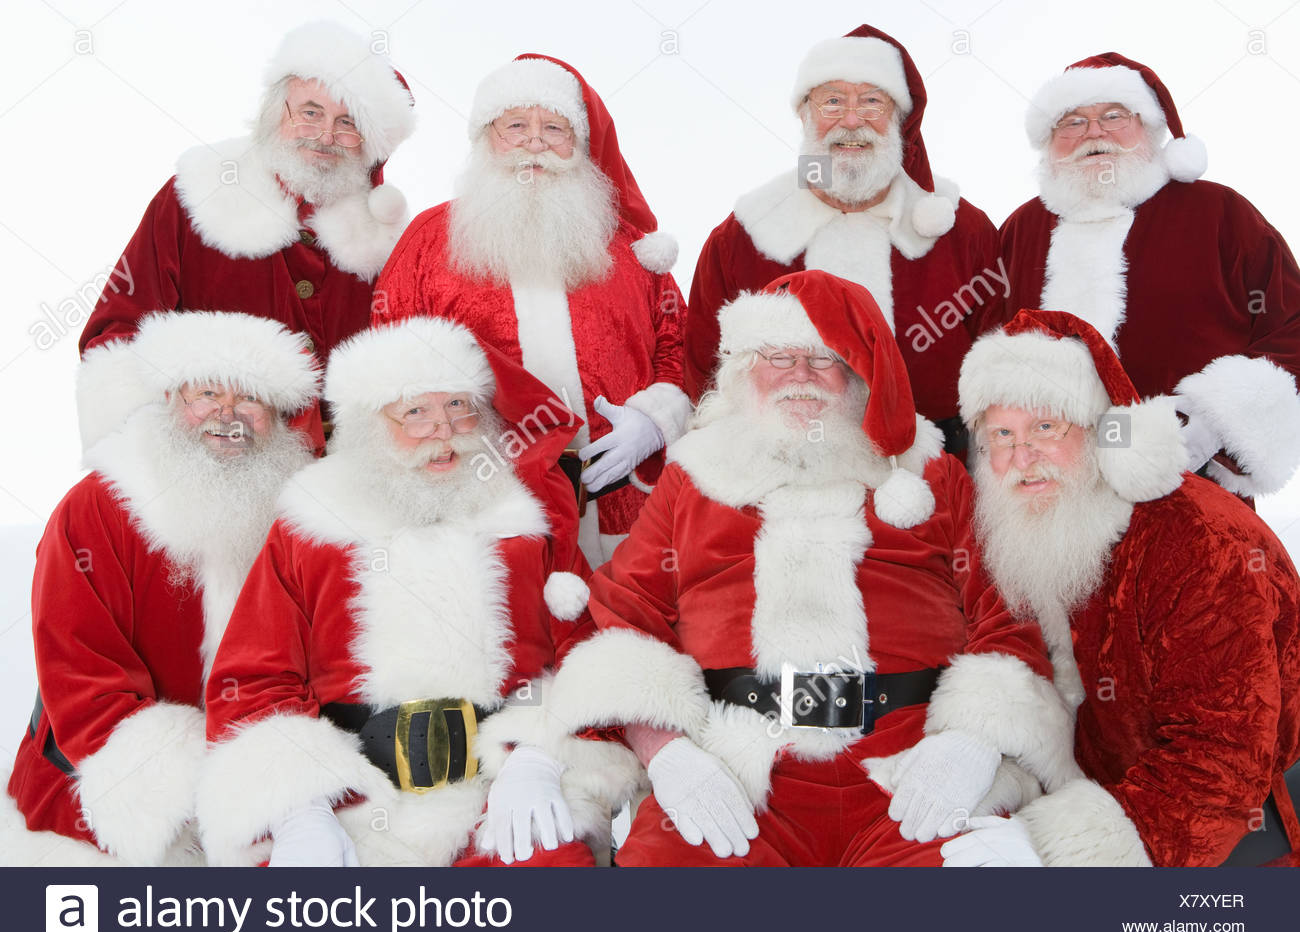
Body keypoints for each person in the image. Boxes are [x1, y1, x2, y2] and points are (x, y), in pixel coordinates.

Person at [540, 270, 1075, 866]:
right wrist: (667, 754)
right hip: (738, 769)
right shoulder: (693, 477)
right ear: (746, 369)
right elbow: (622, 619)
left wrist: (972, 743)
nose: (800, 375)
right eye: (780, 356)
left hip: (910, 762)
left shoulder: (933, 476)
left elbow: (1010, 618)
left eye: (824, 359)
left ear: (858, 373)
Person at [197, 317, 640, 866]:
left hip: (499, 790)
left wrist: (538, 758)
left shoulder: (523, 519)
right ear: (368, 428)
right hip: (353, 803)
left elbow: (588, 651)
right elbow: (256, 679)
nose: (444, 429)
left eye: (458, 406)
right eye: (415, 412)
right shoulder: (311, 523)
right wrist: (299, 809)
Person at [944, 308, 1300, 866]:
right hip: (1095, 783)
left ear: (1106, 432)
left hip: (1223, 830)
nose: (1021, 458)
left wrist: (1056, 847)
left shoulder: (1198, 541)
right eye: (1002, 436)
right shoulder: (1022, 525)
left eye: (1046, 427)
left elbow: (1224, 758)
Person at [2, 312, 318, 865]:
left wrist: (285, 788)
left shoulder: (304, 516)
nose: (227, 414)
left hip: (265, 789)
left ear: (276, 415)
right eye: (208, 392)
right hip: (102, 788)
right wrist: (206, 794)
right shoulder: (98, 508)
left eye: (250, 399)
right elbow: (82, 682)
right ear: (172, 397)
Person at [372, 54, 689, 568]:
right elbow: (388, 370)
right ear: (485, 138)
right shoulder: (430, 242)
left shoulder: (633, 250)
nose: (535, 141)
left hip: (627, 512)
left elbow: (682, 347)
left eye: (555, 127)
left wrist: (656, 422)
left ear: (580, 143)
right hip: (480, 502)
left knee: (627, 637)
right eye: (515, 125)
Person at [77, 21, 415, 450]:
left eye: (347, 122)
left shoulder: (389, 235)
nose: (327, 135)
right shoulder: (199, 195)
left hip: (343, 471)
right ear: (277, 112)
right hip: (215, 456)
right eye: (310, 112)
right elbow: (116, 332)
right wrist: (163, 445)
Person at [685, 24, 1002, 457]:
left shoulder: (963, 231)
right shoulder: (743, 236)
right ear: (804, 114)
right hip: (777, 474)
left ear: (899, 118)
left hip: (937, 471)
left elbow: (1002, 365)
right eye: (832, 101)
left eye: (872, 101)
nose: (851, 121)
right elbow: (704, 370)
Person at [997, 52, 1300, 499]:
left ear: (1150, 128)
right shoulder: (1021, 230)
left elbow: (1291, 326)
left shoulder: (1219, 212)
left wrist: (1215, 420)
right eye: (1072, 121)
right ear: (1049, 140)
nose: (1094, 132)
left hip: (1195, 491)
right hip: (1051, 500)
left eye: (1113, 115)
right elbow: (981, 343)